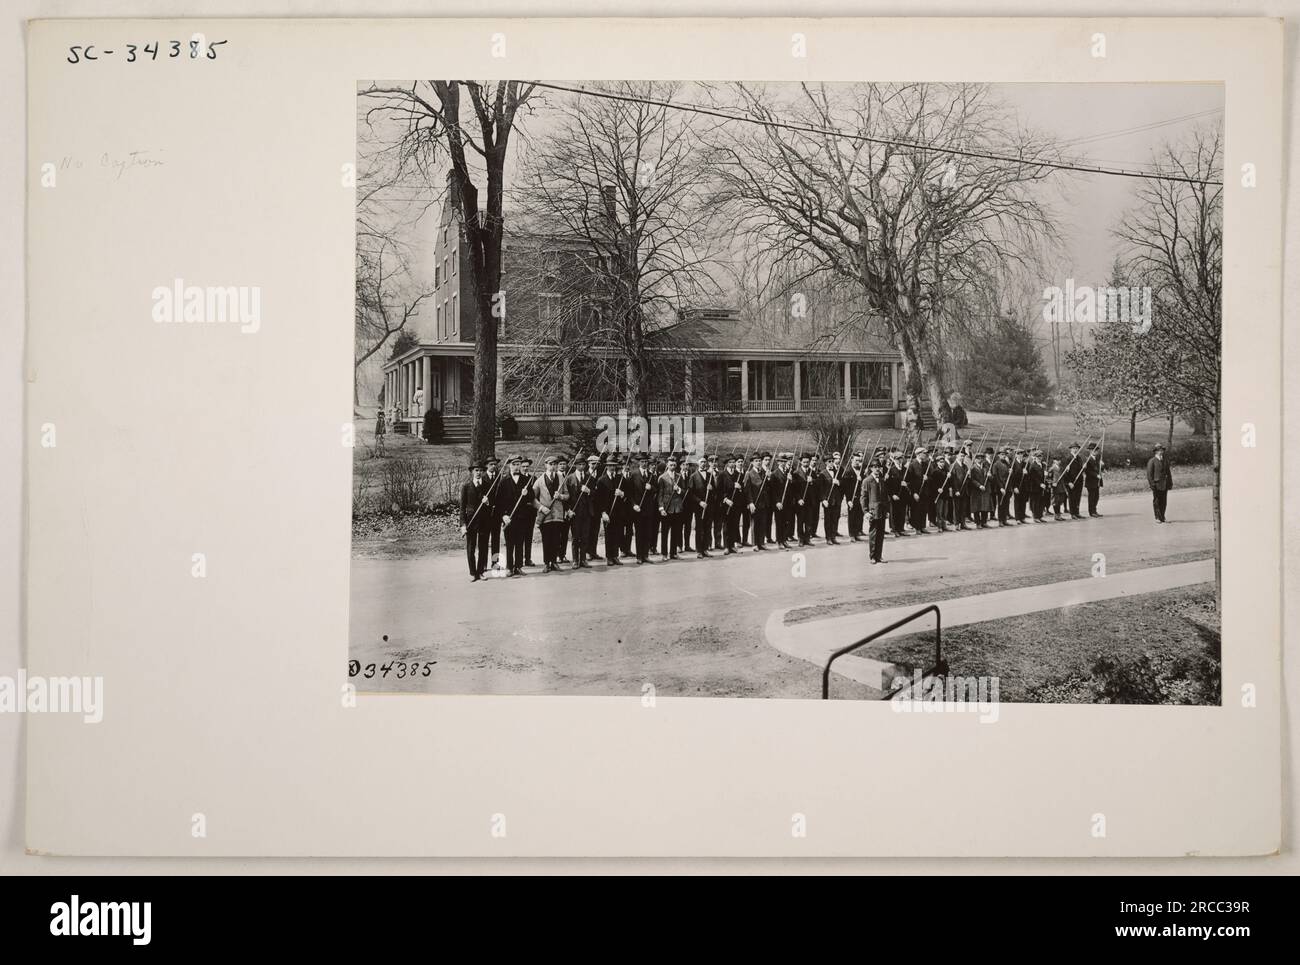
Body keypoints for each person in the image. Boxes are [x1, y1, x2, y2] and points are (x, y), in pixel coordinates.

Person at [532, 455, 570, 572]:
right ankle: (546, 563)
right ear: (546, 465)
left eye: (555, 464)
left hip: (558, 515)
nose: (552, 466)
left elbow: (567, 495)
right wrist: (541, 508)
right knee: (546, 540)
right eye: (550, 464)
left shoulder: (561, 478)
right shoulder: (539, 480)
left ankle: (554, 562)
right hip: (546, 515)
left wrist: (560, 496)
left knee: (556, 540)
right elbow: (532, 498)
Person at [498, 456, 531, 576]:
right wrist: (503, 516)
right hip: (508, 518)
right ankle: (509, 568)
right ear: (509, 465)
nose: (517, 466)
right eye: (514, 464)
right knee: (510, 544)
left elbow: (531, 497)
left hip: (522, 518)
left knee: (519, 543)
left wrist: (526, 494)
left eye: (518, 464)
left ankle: (518, 567)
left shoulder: (526, 480)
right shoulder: (504, 481)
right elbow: (499, 502)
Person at [459, 463, 491, 581]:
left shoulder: (488, 485)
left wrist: (487, 502)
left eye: (480, 470)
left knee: (483, 547)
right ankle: (473, 573)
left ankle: (481, 572)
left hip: (484, 521)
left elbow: (492, 504)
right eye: (476, 470)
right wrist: (463, 524)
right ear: (472, 471)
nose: (478, 472)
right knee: (471, 548)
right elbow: (462, 507)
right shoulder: (466, 486)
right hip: (471, 521)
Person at [565, 453, 598, 569]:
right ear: (575, 465)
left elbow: (595, 495)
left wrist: (589, 490)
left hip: (587, 512)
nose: (582, 466)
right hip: (575, 512)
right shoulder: (569, 478)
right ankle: (575, 560)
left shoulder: (590, 478)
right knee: (575, 537)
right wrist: (568, 510)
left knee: (585, 536)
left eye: (583, 464)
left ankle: (583, 559)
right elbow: (567, 496)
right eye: (579, 464)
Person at [596, 456, 629, 565]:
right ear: (606, 467)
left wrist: (622, 494)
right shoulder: (601, 480)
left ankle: (615, 556)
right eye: (610, 465)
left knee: (618, 533)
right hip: (608, 512)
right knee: (609, 535)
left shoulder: (621, 478)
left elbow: (628, 494)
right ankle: (609, 557)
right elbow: (599, 499)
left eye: (614, 465)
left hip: (619, 512)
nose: (612, 467)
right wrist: (603, 512)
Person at [657, 455, 686, 559]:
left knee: (676, 531)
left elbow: (684, 491)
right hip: (666, 508)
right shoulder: (662, 478)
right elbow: (659, 494)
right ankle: (664, 554)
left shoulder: (679, 476)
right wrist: (661, 508)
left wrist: (678, 489)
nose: (672, 466)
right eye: (670, 465)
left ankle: (673, 553)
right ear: (667, 465)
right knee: (665, 532)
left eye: (674, 464)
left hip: (677, 508)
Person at [744, 452, 772, 551]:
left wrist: (768, 478)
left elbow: (768, 487)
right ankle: (755, 544)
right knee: (755, 524)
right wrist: (750, 503)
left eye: (760, 461)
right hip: (754, 503)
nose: (758, 463)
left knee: (763, 523)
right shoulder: (749, 474)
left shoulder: (764, 472)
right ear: (752, 463)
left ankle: (761, 543)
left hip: (764, 503)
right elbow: (747, 490)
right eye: (756, 461)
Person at [863, 458, 887, 563]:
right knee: (873, 534)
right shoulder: (867, 481)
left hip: (882, 511)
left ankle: (879, 555)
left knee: (881, 534)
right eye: (875, 467)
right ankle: (872, 556)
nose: (877, 469)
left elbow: (885, 496)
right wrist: (865, 511)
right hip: (873, 511)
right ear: (871, 468)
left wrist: (887, 511)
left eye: (879, 467)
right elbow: (863, 497)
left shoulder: (882, 480)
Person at [1146, 443, 1174, 523]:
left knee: (1164, 501)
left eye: (1162, 450)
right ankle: (1157, 517)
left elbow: (1168, 473)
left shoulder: (1165, 461)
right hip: (1156, 484)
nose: (1161, 452)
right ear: (1156, 452)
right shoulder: (1152, 461)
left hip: (1164, 484)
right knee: (1157, 501)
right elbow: (1149, 474)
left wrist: (1170, 483)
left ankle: (1163, 517)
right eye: (1159, 450)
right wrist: (1152, 484)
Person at [821, 451, 843, 545]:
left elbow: (843, 484)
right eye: (829, 461)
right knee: (828, 520)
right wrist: (823, 499)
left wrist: (839, 482)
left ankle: (833, 536)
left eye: (832, 461)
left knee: (835, 519)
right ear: (825, 462)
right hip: (827, 500)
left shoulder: (837, 471)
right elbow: (820, 489)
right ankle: (828, 538)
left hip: (836, 500)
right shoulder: (823, 473)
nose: (831, 463)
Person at [969, 448, 994, 528]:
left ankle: (984, 522)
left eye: (981, 458)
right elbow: (972, 480)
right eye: (978, 458)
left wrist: (990, 476)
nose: (980, 460)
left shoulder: (986, 468)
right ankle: (978, 523)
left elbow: (992, 479)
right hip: (977, 490)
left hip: (985, 490)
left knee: (985, 506)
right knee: (977, 507)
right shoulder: (973, 469)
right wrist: (979, 485)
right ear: (975, 460)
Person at [844, 451, 865, 542]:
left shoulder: (861, 471)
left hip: (860, 497)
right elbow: (846, 488)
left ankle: (856, 533)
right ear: (852, 460)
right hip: (852, 497)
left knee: (859, 516)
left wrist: (861, 479)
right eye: (856, 460)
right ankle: (852, 534)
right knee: (852, 516)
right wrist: (848, 500)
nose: (858, 462)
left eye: (859, 461)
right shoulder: (848, 472)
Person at [1083, 442, 1105, 517]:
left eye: (1096, 450)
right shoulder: (1087, 459)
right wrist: (1096, 475)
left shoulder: (1098, 458)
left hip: (1097, 481)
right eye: (1093, 450)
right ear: (1090, 451)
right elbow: (1087, 471)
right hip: (1091, 481)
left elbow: (1100, 469)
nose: (1095, 452)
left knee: (1096, 497)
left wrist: (1102, 466)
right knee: (1091, 497)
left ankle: (1095, 510)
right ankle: (1091, 512)